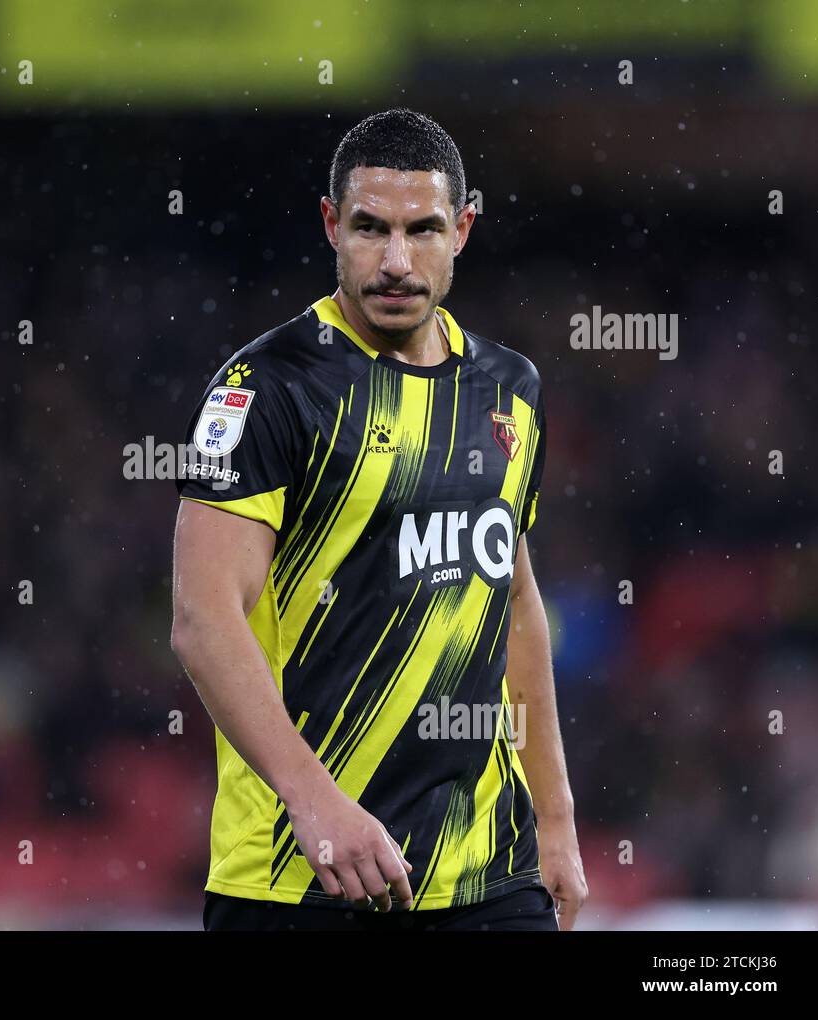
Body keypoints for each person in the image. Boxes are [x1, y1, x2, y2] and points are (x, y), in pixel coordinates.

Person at [170, 108, 587, 931]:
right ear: (332, 224)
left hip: (485, 879)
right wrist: (314, 803)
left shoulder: (511, 389)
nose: (396, 261)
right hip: (300, 876)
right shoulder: (266, 389)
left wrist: (556, 819)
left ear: (463, 228)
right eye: (370, 228)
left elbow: (515, 604)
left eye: (423, 229)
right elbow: (202, 619)